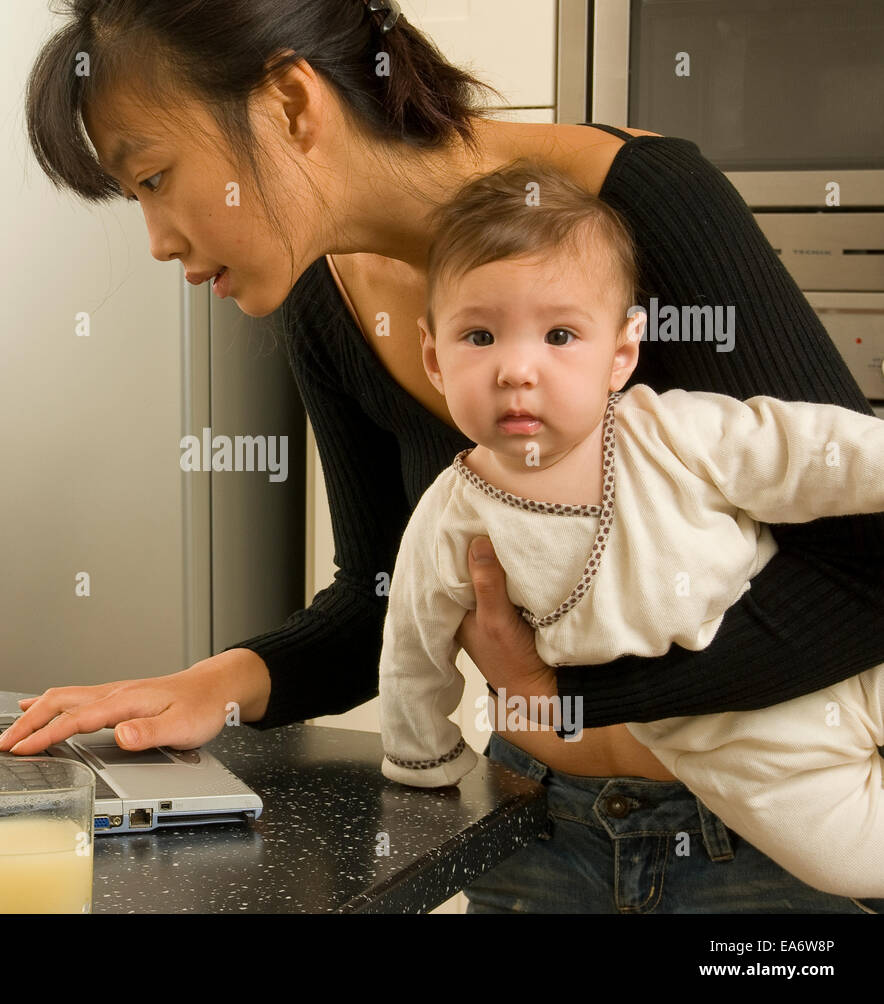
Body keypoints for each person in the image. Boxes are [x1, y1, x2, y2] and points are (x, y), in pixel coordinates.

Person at [0, 0, 884, 911]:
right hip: (531, 824)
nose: (158, 242)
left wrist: (555, 694)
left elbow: (865, 573)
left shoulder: (644, 203)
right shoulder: (325, 298)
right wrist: (213, 687)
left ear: (293, 105)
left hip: (760, 840)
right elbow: (385, 595)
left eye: (153, 177)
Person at [376, 158, 884, 900]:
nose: (518, 369)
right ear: (434, 356)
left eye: (559, 334)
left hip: (841, 667)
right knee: (858, 863)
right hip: (726, 743)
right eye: (480, 337)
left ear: (620, 354)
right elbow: (412, 645)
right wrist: (423, 755)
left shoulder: (670, 431)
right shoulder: (456, 512)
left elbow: (802, 451)